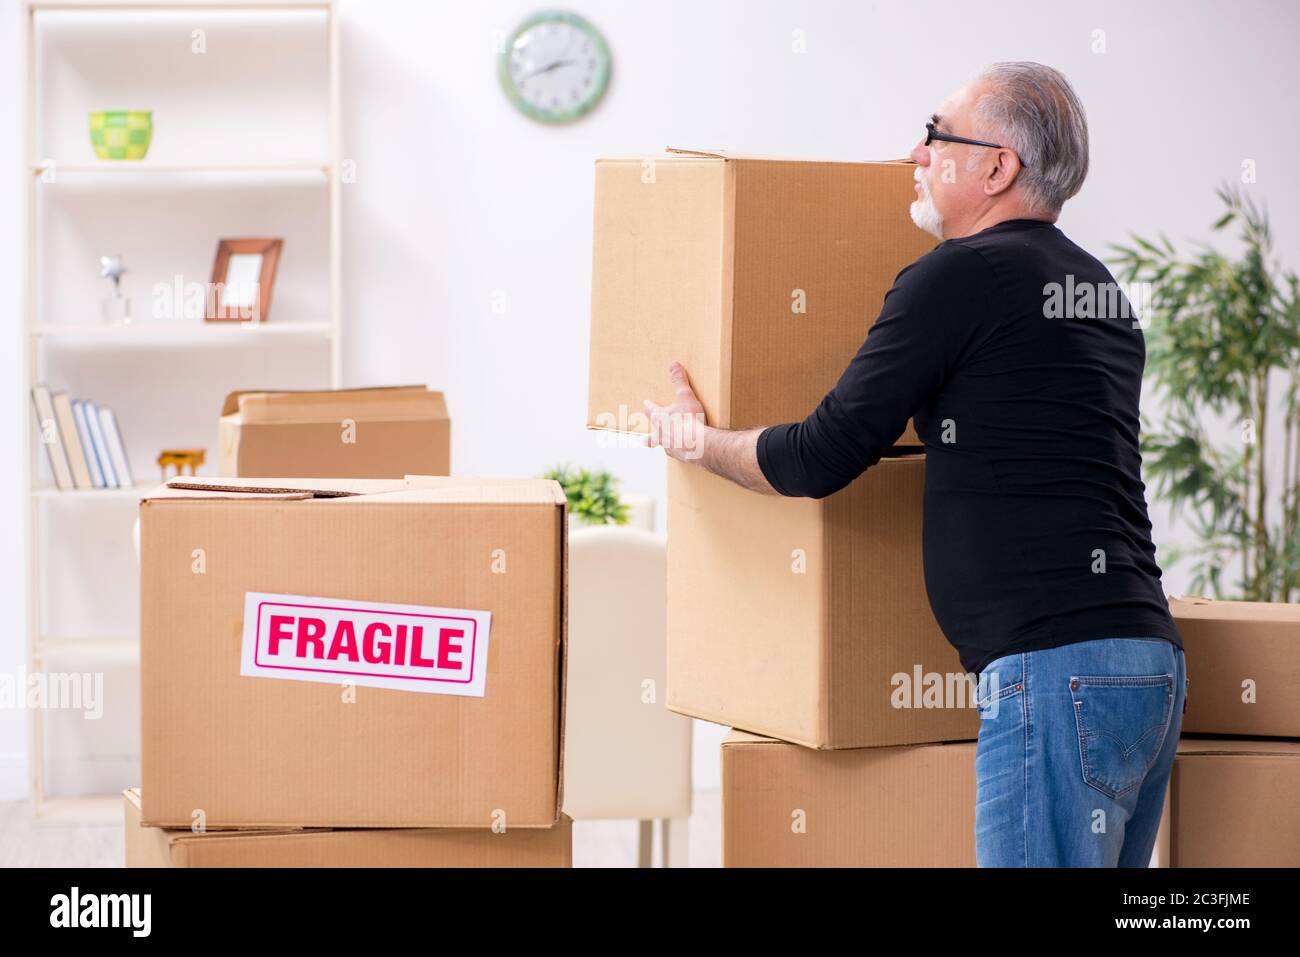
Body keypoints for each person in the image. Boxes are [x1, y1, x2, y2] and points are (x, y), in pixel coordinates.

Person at [643, 61, 1186, 867]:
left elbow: (821, 454)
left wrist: (699, 443)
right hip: (1147, 664)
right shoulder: (1095, 286)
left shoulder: (960, 275)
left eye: (937, 134)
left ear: (998, 167)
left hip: (1055, 671)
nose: (915, 152)